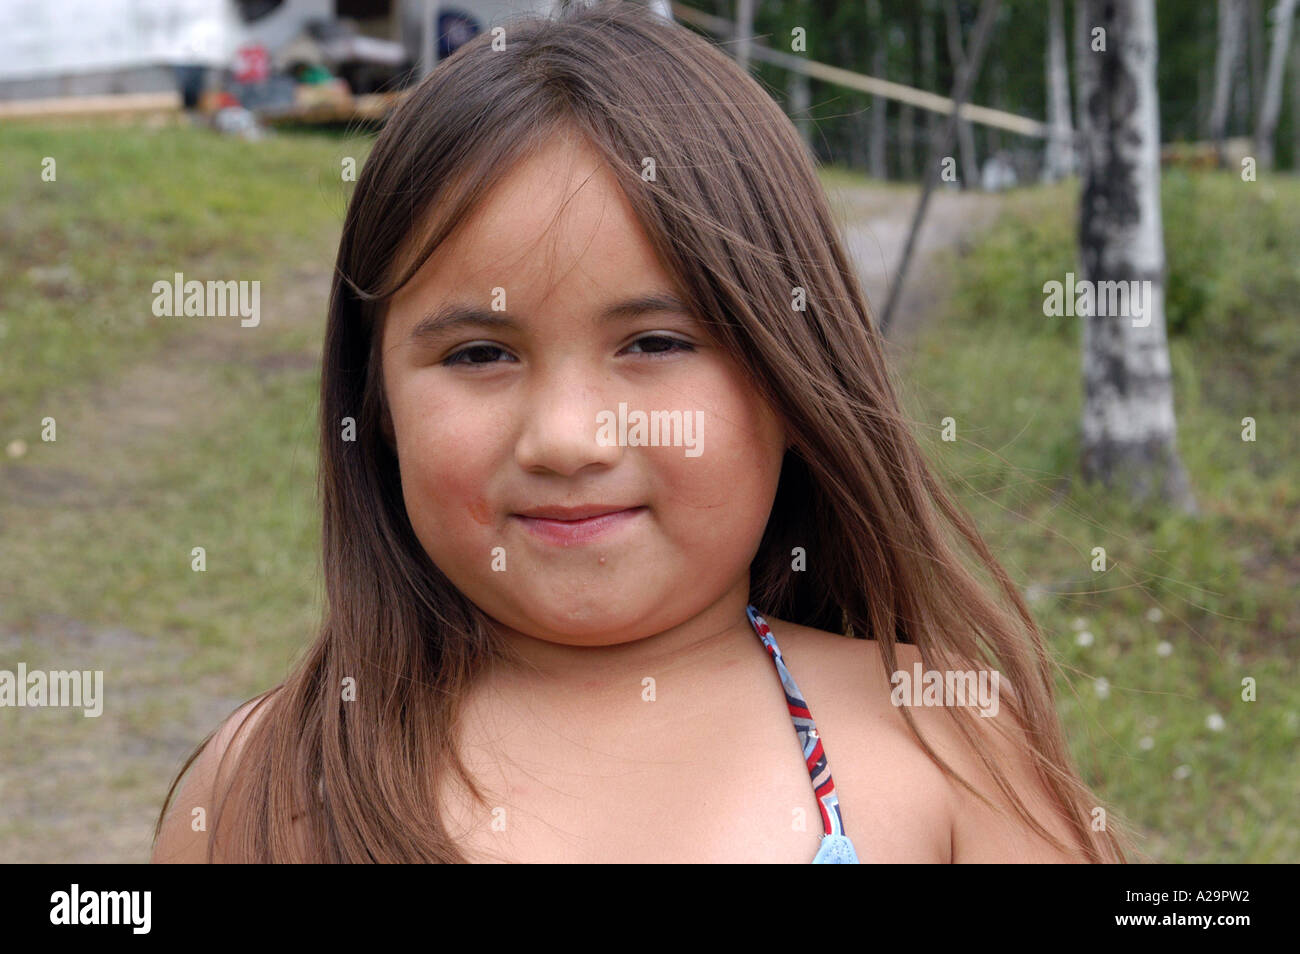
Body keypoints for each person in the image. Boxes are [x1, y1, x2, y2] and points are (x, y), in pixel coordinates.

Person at [152, 0, 1130, 864]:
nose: (568, 438)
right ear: (380, 413)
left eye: (655, 342)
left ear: (793, 384)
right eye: (479, 355)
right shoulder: (267, 785)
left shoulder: (948, 738)